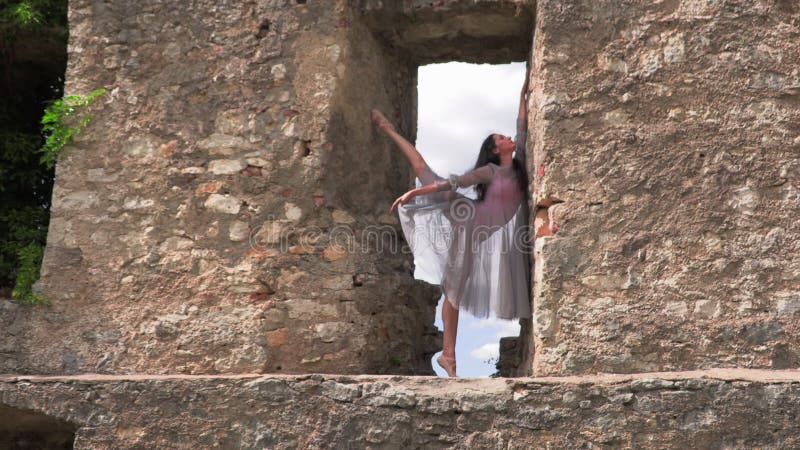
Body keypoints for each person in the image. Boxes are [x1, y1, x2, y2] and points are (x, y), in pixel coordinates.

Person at [371, 68, 532, 378]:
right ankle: (387, 128)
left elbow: (521, 125)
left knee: (454, 291)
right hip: (466, 219)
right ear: (496, 149)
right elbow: (452, 183)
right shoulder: (489, 172)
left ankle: (448, 356)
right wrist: (415, 192)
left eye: (505, 135)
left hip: (473, 225)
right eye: (501, 138)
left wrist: (523, 91)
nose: (507, 137)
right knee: (454, 291)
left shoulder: (519, 163)